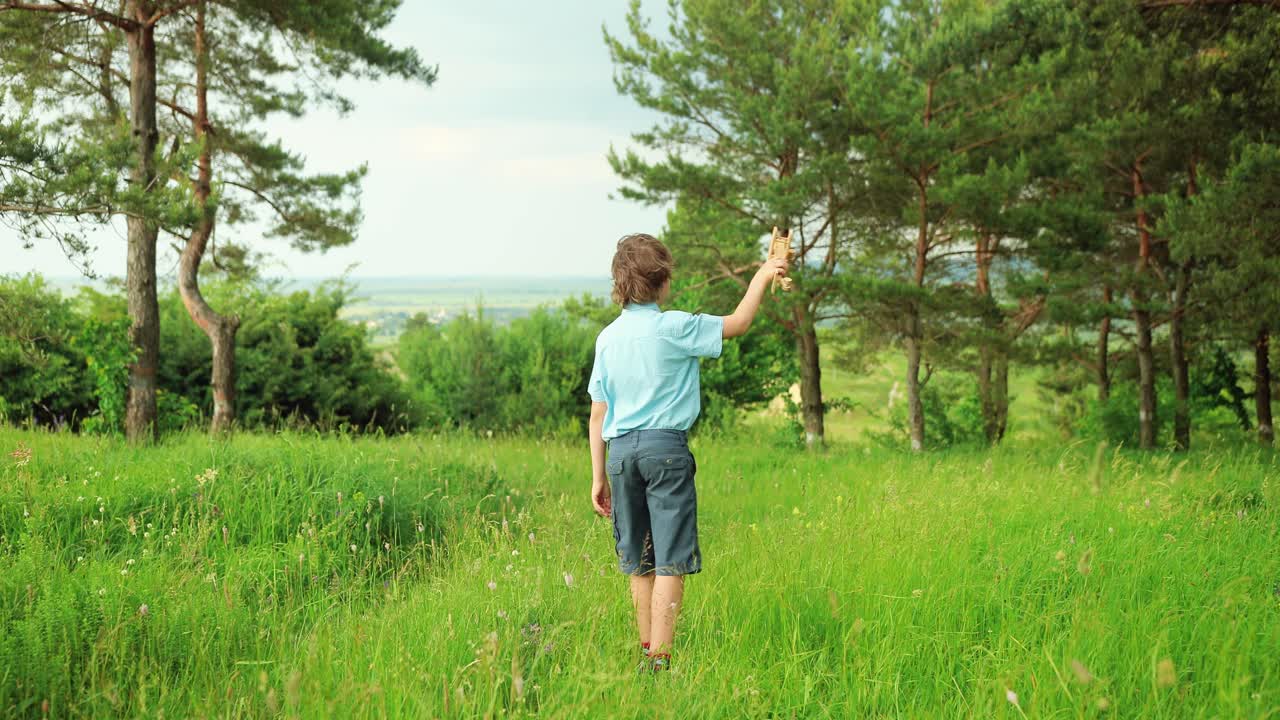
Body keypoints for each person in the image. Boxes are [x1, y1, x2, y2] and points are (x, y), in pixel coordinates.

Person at [587, 232, 789, 673]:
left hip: (619, 454)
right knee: (670, 560)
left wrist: (598, 477)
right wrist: (762, 275)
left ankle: (646, 651)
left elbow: (598, 413)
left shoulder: (607, 338)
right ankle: (660, 662)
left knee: (639, 561)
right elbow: (738, 322)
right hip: (665, 450)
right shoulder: (675, 326)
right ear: (662, 282)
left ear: (620, 284)